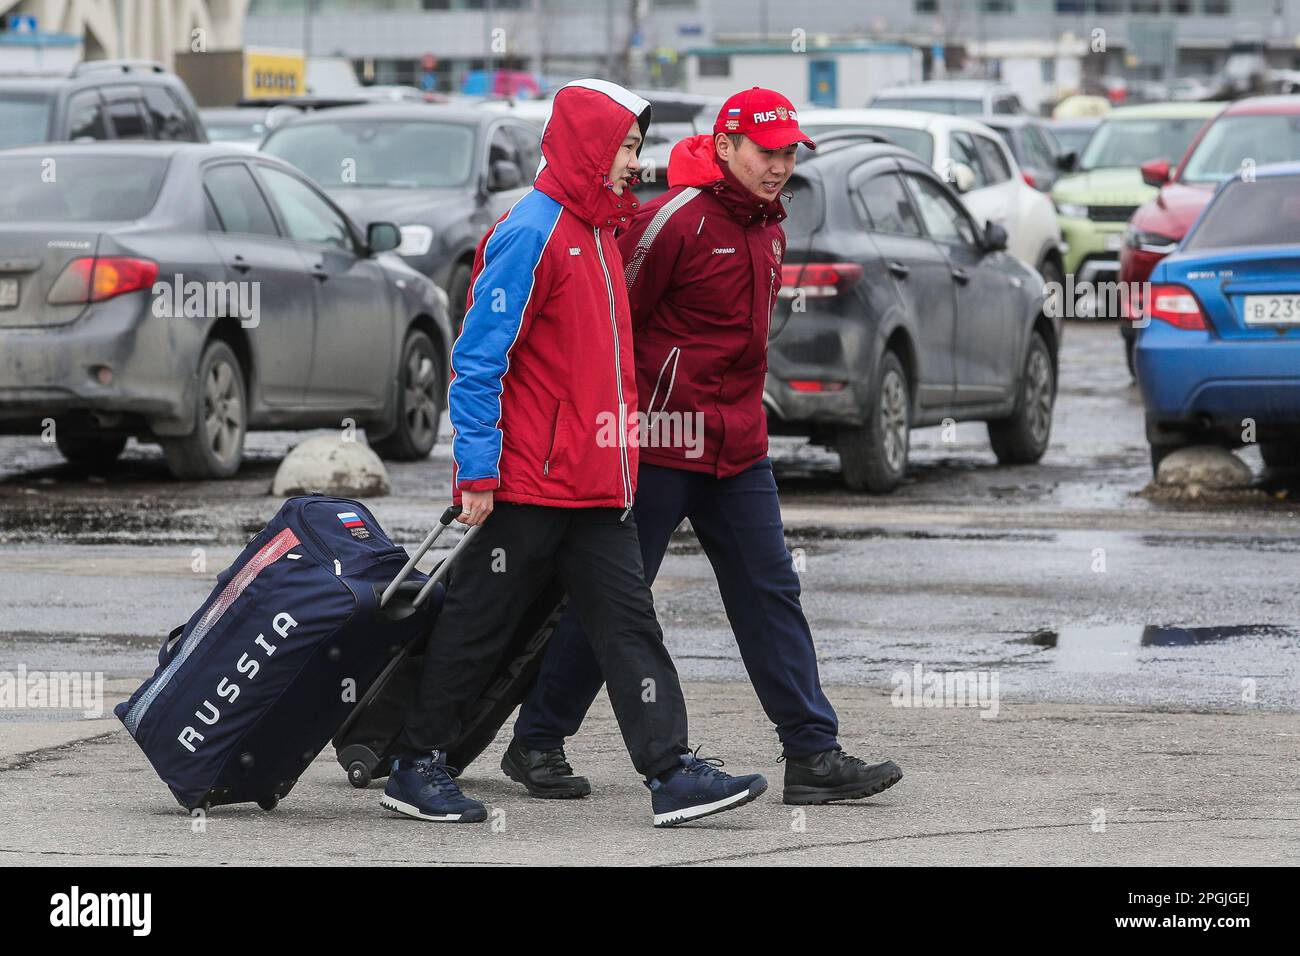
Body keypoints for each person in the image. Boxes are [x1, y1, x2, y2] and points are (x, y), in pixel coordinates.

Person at [382, 79, 767, 828]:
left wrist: (622, 465)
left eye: (636, 147)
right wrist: (477, 472)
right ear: (590, 145)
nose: (633, 162)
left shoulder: (596, 231)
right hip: (528, 484)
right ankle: (414, 765)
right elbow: (477, 361)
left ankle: (670, 772)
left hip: (597, 487)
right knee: (475, 626)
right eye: (625, 146)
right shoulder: (531, 231)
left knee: (630, 629)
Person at [503, 87, 904, 806]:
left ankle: (812, 754)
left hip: (739, 449)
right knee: (616, 604)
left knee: (771, 592)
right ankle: (538, 739)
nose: (779, 166)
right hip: (657, 445)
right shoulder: (673, 221)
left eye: (788, 154)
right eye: (765, 152)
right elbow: (610, 321)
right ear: (725, 146)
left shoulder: (770, 230)